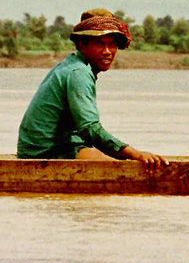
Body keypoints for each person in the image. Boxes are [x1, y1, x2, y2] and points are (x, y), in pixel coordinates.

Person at [17, 9, 168, 168]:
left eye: (112, 45)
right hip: (46, 153)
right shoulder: (79, 73)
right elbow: (90, 129)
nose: (107, 52)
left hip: (50, 149)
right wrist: (135, 153)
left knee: (120, 160)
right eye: (99, 44)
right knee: (125, 169)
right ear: (82, 45)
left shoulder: (72, 65)